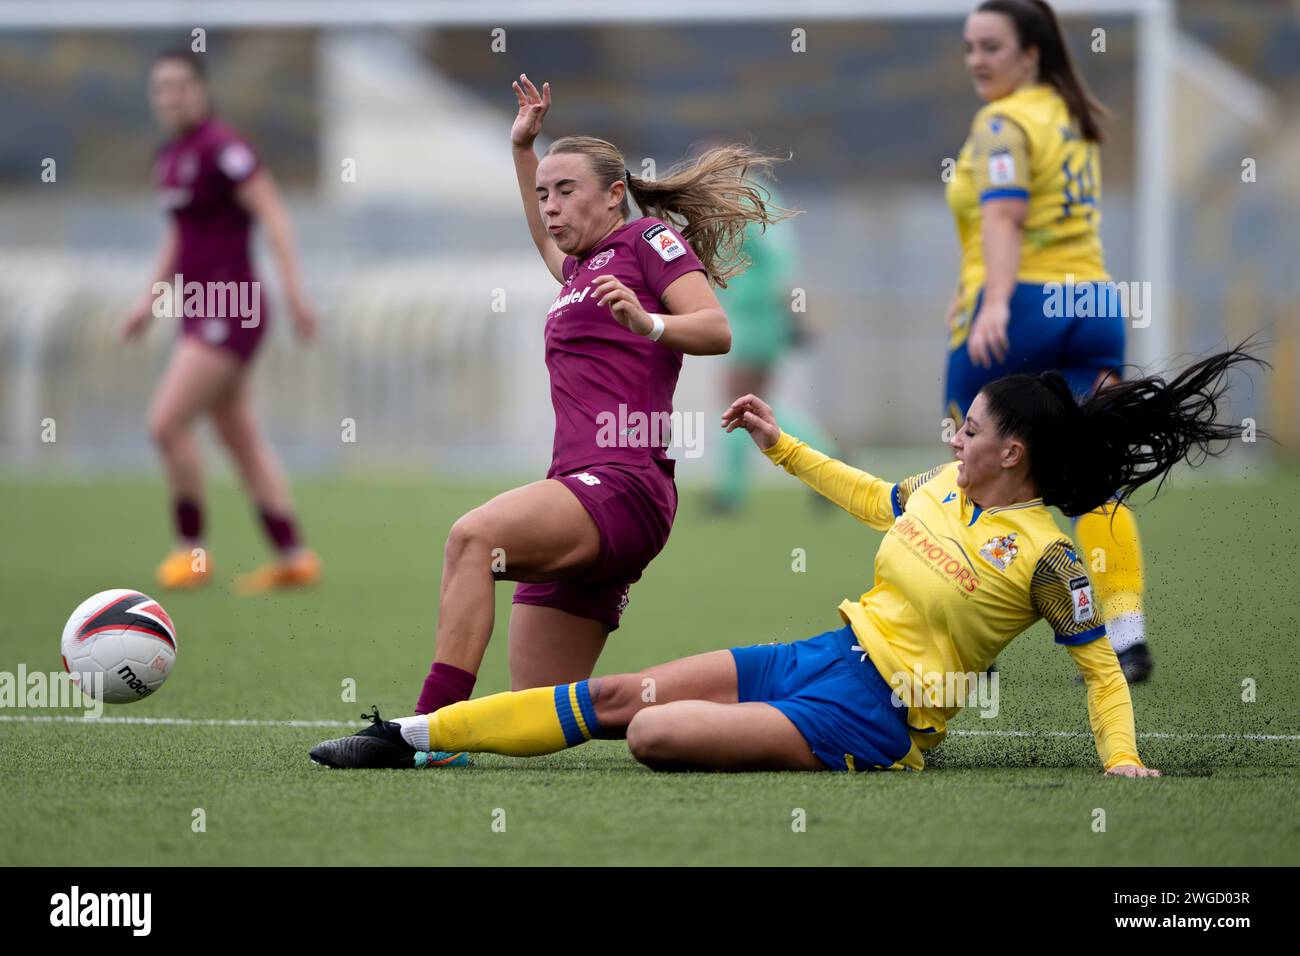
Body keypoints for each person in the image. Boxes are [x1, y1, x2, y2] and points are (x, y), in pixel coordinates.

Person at [310, 348, 1262, 774]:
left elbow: (1101, 667)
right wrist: (778, 445)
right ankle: (410, 737)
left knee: (652, 736)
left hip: (880, 718)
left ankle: (437, 735)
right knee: (618, 698)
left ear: (1012, 452)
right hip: (818, 653)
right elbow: (866, 495)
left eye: (969, 429)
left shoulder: (1051, 557)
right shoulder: (941, 485)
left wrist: (1124, 761)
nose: (956, 435)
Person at [410, 75, 789, 716]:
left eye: (566, 191)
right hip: (581, 491)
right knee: (537, 709)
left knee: (470, 540)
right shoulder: (581, 269)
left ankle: (422, 731)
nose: (552, 206)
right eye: (543, 195)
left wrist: (650, 325)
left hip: (621, 482)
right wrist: (521, 150)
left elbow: (717, 329)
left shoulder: (644, 243)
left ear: (615, 195)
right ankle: (746, 706)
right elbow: (541, 236)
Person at [944, 0, 1153, 681]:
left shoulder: (1000, 121)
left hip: (1023, 302)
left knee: (965, 463)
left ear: (1030, 53)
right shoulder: (1073, 114)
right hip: (1092, 301)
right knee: (1096, 474)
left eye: (992, 47)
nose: (977, 59)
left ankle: (964, 641)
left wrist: (995, 301)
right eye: (971, 46)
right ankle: (1124, 628)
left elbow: (1004, 216)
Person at [121, 50, 320, 595]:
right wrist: (148, 301)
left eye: (182, 86)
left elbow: (274, 215)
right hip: (199, 308)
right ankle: (293, 555)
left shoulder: (223, 149)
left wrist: (297, 294)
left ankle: (191, 553)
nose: (172, 97)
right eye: (162, 89)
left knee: (166, 422)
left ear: (202, 90)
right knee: (238, 434)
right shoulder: (171, 155)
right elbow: (179, 235)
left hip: (232, 307)